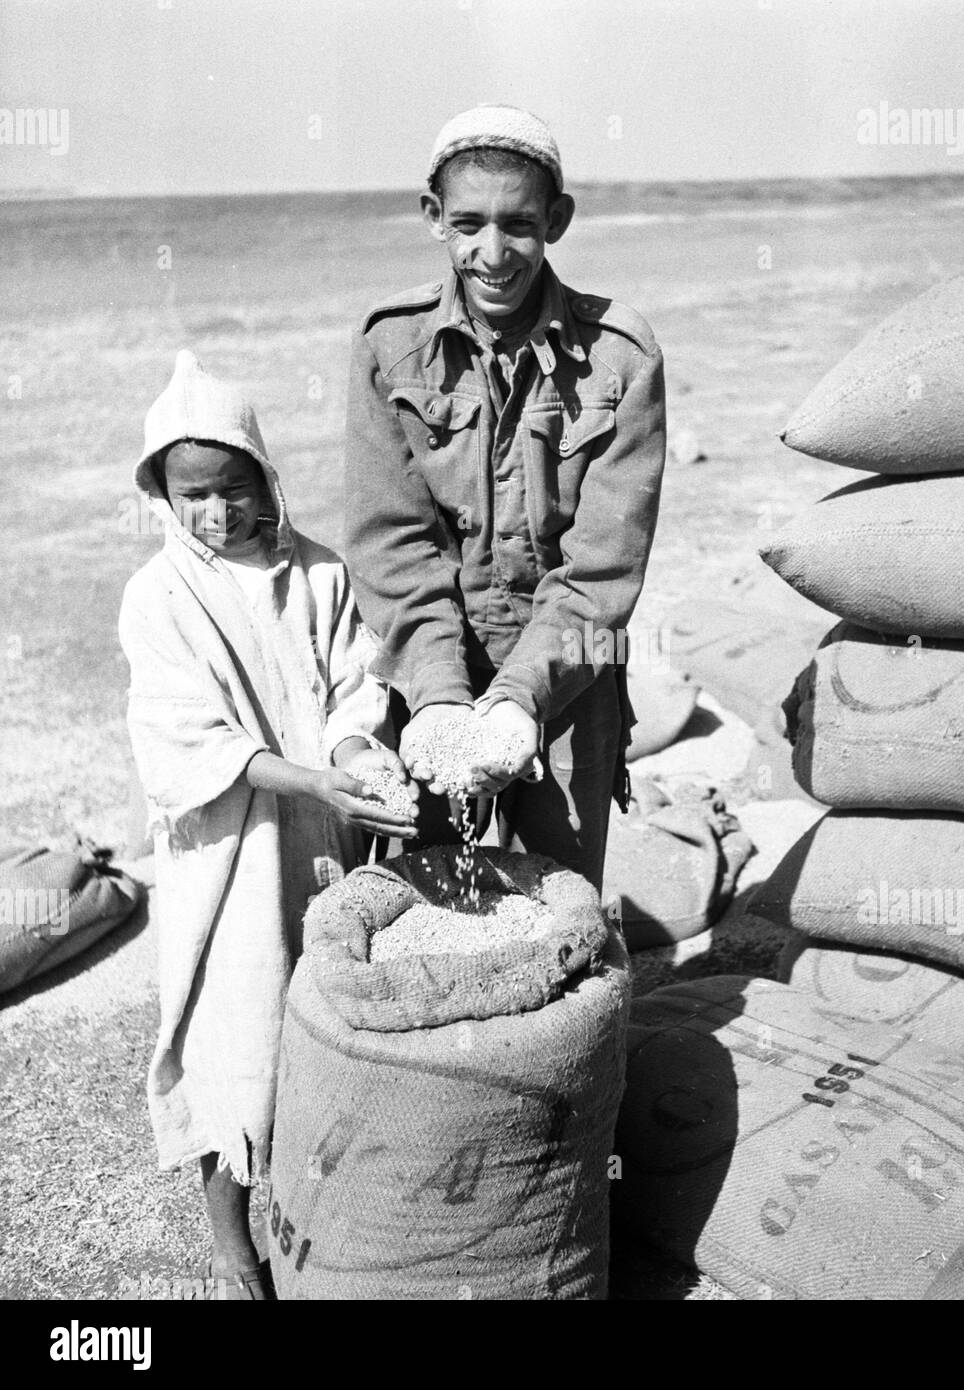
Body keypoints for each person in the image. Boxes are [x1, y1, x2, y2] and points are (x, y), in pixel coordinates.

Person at [118, 350, 417, 1299]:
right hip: (228, 853)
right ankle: (229, 1235)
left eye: (233, 489)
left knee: (324, 1011)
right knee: (232, 1030)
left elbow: (352, 688)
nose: (215, 514)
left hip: (319, 841)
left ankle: (321, 1206)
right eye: (192, 495)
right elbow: (183, 739)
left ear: (265, 477)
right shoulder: (157, 596)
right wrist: (311, 780)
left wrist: (363, 755)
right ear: (161, 495)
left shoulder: (319, 573)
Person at [344, 104, 667, 890]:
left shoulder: (620, 358)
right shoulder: (390, 344)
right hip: (428, 670)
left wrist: (522, 699)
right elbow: (390, 541)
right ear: (433, 219)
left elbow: (603, 566)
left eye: (518, 224)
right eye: (468, 224)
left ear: (556, 220)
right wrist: (437, 700)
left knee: (562, 901)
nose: (493, 253)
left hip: (570, 676)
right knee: (423, 899)